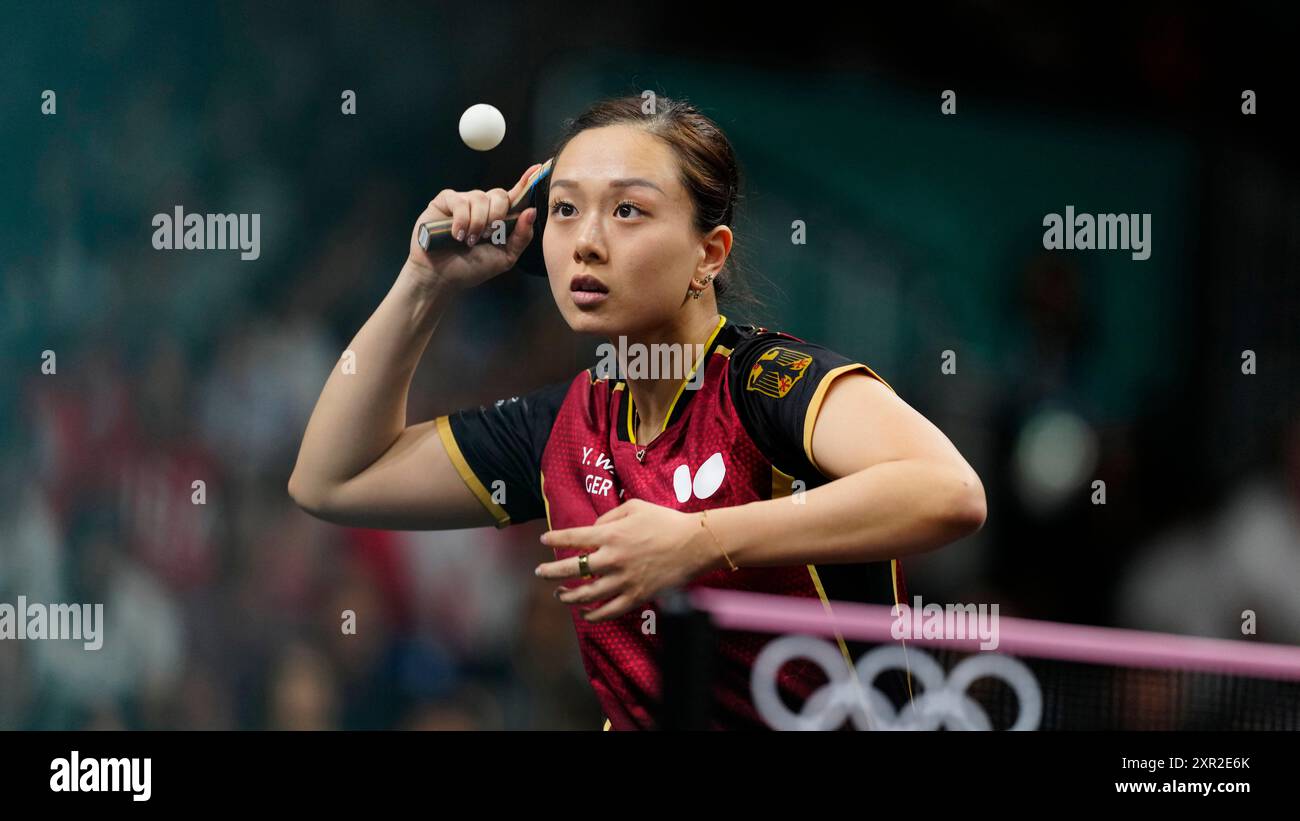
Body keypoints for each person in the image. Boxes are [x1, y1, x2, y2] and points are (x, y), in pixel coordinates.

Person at [288, 95, 986, 730]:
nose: (586, 240)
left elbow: (948, 491)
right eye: (565, 209)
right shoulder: (562, 429)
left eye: (628, 209)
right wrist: (423, 283)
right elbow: (333, 480)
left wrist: (700, 539)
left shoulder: (769, 384)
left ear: (707, 255)